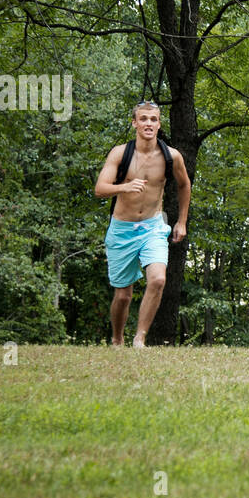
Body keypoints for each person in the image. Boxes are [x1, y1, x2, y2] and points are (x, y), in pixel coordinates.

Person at [94, 101, 192, 347]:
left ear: (159, 124)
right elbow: (100, 189)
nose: (149, 123)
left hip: (153, 227)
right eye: (144, 119)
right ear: (135, 123)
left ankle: (140, 338)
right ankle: (117, 339)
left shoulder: (172, 156)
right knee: (123, 295)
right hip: (122, 229)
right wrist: (124, 186)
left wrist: (181, 221)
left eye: (153, 119)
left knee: (158, 279)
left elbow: (184, 185)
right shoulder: (120, 153)